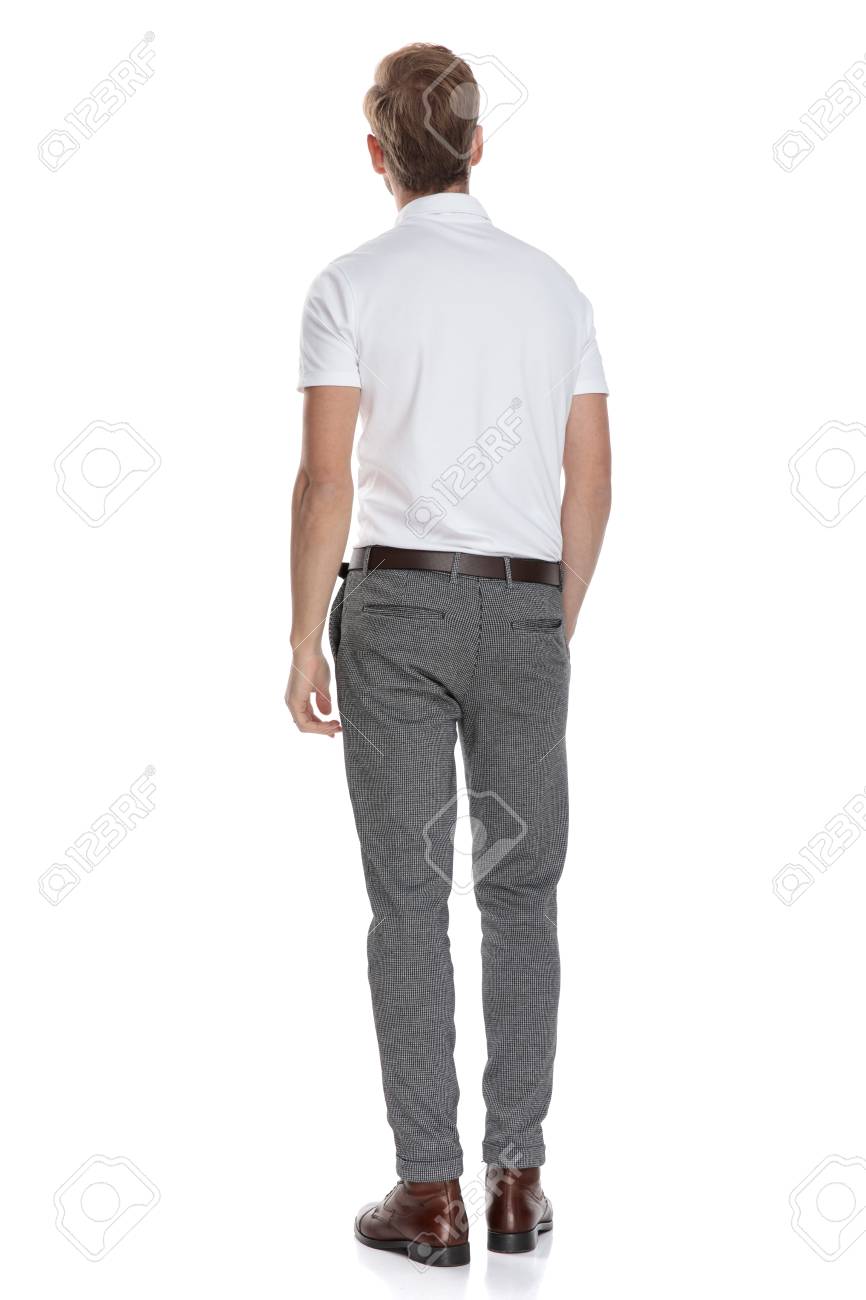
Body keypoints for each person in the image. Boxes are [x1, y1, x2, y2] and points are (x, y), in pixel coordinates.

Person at [286, 42, 611, 1267]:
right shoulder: (553, 289)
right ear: (478, 144)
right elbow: (592, 479)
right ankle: (516, 1181)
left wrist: (298, 635)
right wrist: (549, 621)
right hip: (524, 603)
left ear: (377, 155)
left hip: (397, 610)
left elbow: (325, 481)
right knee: (522, 892)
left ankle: (428, 1195)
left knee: (409, 897)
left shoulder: (348, 284)